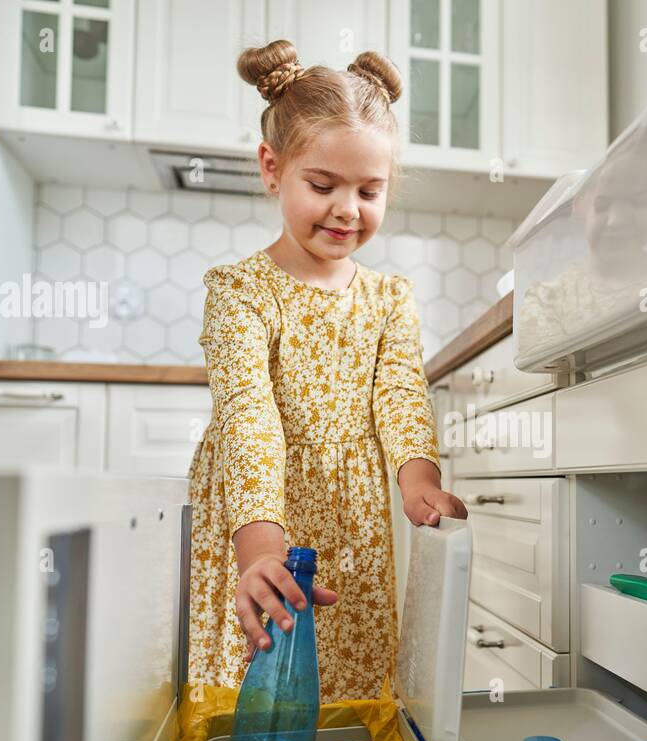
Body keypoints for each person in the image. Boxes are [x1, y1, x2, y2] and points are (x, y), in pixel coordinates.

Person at [186, 39, 467, 700]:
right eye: (324, 185)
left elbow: (399, 394)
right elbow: (248, 415)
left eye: (371, 190)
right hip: (258, 509)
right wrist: (259, 550)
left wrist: (419, 479)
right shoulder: (239, 290)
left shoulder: (390, 297)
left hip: (353, 518)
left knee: (347, 686)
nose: (348, 209)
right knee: (253, 680)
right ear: (271, 168)